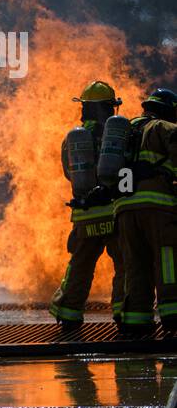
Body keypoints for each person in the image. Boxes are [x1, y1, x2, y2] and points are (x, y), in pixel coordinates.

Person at [49, 81, 125, 329]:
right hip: (115, 212)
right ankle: (124, 313)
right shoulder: (118, 136)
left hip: (85, 214)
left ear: (86, 109)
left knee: (80, 264)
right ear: (108, 108)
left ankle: (69, 315)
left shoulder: (73, 139)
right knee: (125, 264)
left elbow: (69, 173)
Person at [114, 88, 177, 337]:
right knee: (168, 260)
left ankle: (136, 322)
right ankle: (173, 317)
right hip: (157, 207)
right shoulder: (165, 128)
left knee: (135, 264)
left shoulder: (125, 131)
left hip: (124, 209)